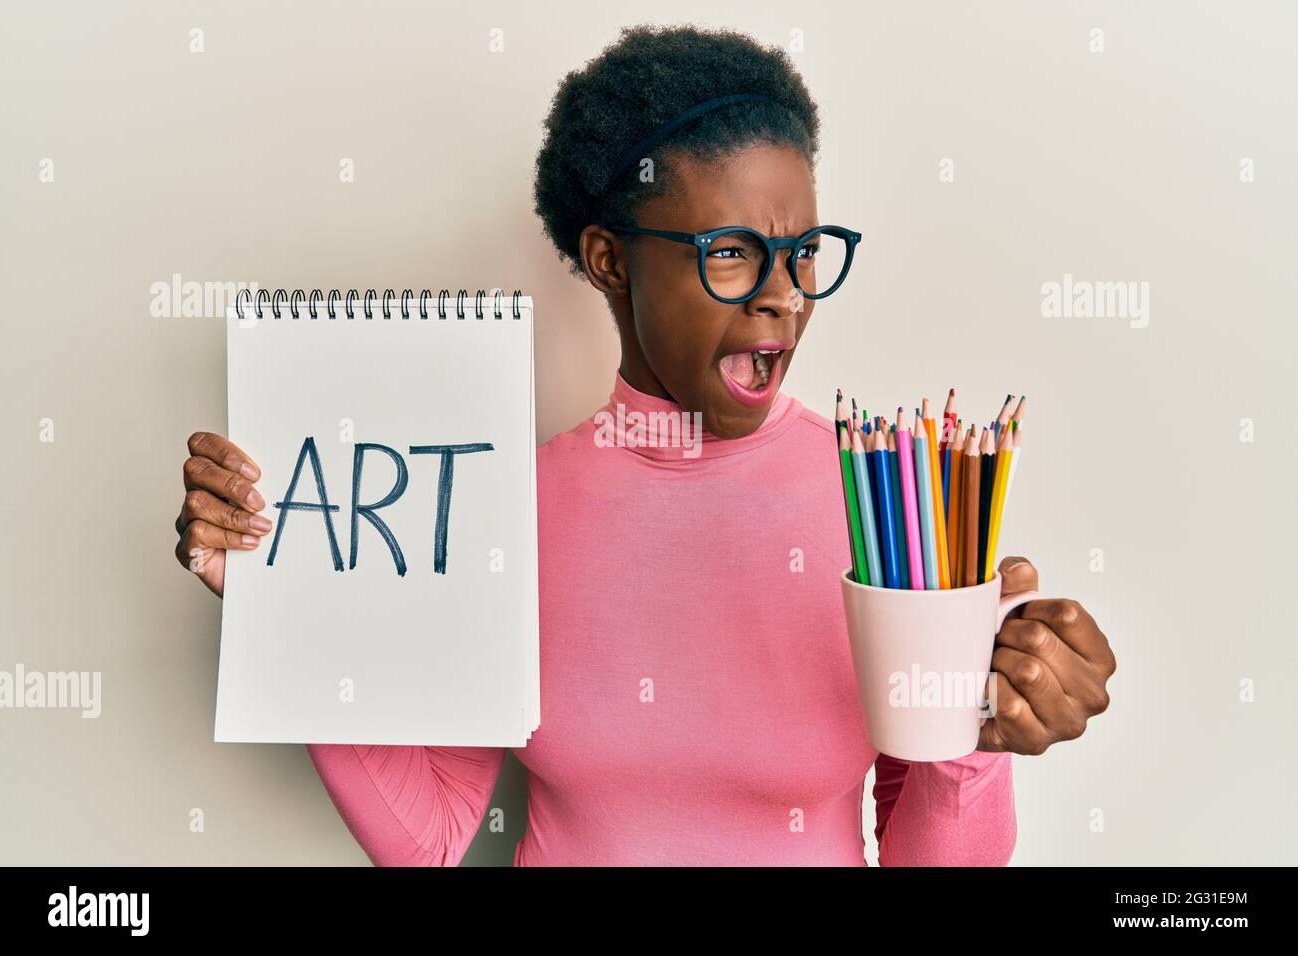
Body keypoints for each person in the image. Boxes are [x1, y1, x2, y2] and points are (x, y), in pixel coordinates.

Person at [173, 24, 1115, 866]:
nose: (783, 294)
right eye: (731, 251)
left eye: (802, 252)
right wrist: (287, 605)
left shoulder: (887, 502)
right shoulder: (501, 508)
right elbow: (432, 838)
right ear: (610, 261)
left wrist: (977, 738)